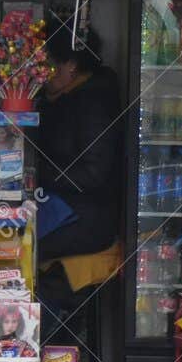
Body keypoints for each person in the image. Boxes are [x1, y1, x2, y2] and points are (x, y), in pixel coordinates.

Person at [32, 22, 121, 262]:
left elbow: (93, 174)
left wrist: (36, 174)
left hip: (85, 217)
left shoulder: (93, 104)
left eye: (48, 64)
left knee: (21, 244)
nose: (41, 73)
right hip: (61, 205)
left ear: (70, 65)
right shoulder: (62, 98)